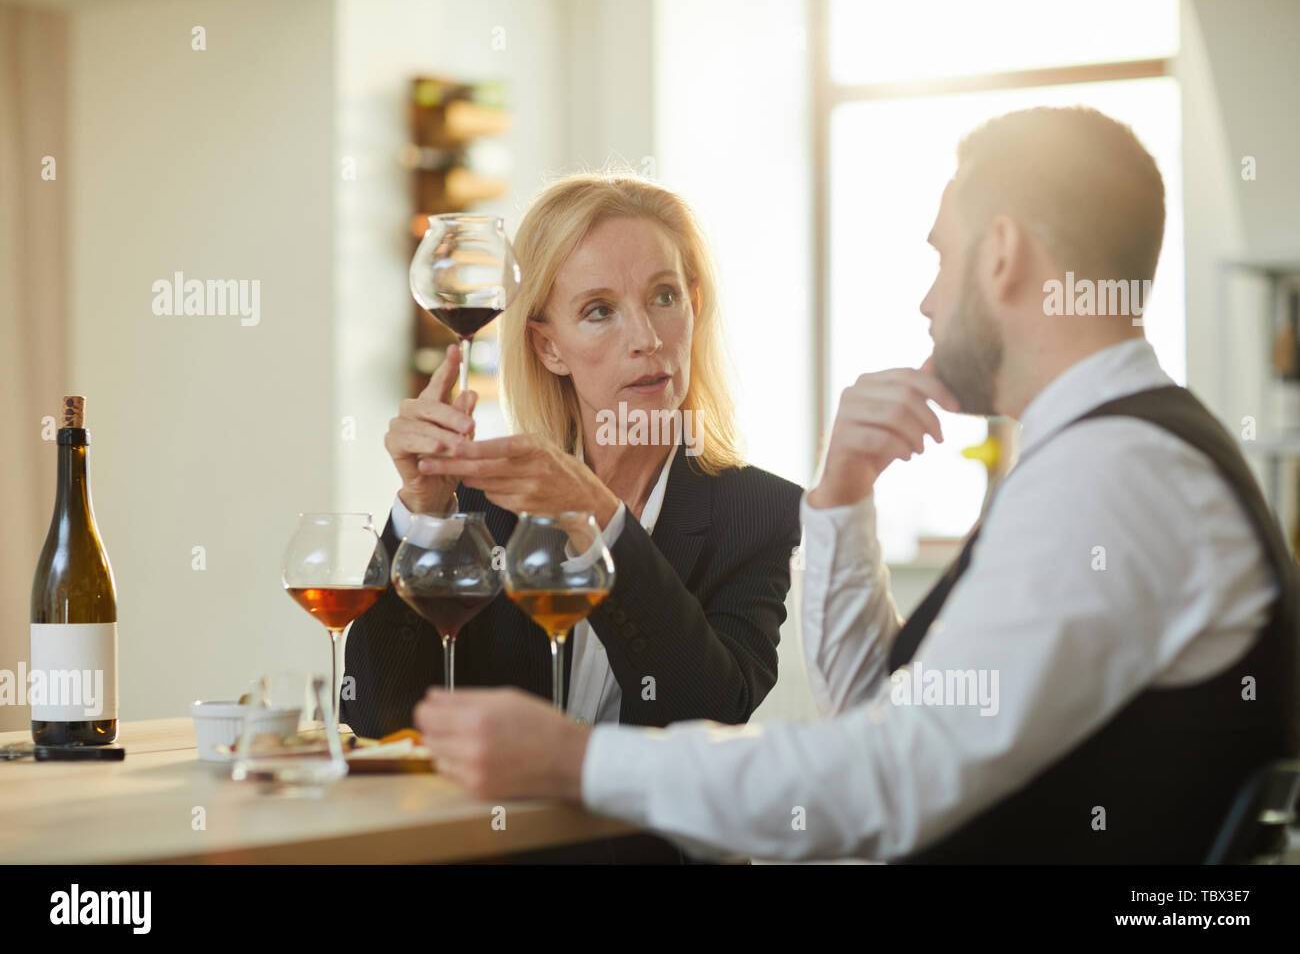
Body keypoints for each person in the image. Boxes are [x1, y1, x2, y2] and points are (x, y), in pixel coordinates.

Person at [410, 106, 1299, 864]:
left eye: (939, 261)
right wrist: (839, 498)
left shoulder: (1117, 474)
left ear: (1002, 256)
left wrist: (577, 764)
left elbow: (896, 778)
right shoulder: (1108, 454)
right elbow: (875, 715)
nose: (926, 304)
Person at [342, 173, 802, 744]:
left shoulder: (759, 512)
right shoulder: (480, 503)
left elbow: (709, 710)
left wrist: (601, 520)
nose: (646, 338)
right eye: (599, 310)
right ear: (548, 347)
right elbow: (372, 714)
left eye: (664, 297)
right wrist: (425, 514)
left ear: (694, 305)